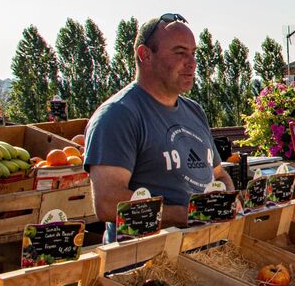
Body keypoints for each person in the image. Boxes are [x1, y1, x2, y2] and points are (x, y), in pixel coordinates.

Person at [84, 13, 234, 242]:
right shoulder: (118, 115)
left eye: (193, 53)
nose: (192, 63)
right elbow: (108, 202)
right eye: (180, 52)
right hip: (145, 257)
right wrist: (187, 215)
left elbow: (218, 174)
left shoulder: (194, 111)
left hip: (203, 249)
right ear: (145, 55)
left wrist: (229, 201)